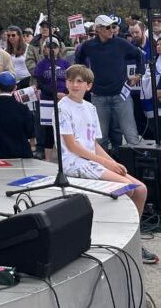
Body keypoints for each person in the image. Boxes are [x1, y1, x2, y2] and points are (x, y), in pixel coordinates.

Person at [57, 65, 156, 264]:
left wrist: (112, 163)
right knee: (126, 188)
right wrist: (105, 163)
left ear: (89, 85)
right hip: (74, 162)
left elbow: (92, 144)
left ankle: (132, 239)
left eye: (79, 81)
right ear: (66, 82)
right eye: (71, 80)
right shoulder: (61, 108)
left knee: (142, 189)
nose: (74, 85)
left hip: (91, 160)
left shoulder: (90, 108)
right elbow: (72, 145)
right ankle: (117, 240)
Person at [74, 14, 144, 149]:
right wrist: (85, 77)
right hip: (98, 96)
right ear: (98, 29)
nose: (111, 30)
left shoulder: (121, 43)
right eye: (107, 27)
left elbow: (139, 55)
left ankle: (135, 168)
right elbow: (79, 60)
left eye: (113, 26)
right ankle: (103, 168)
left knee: (131, 135)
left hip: (121, 95)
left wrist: (138, 74)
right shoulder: (88, 45)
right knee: (100, 138)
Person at [32, 39, 70, 160]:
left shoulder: (65, 64)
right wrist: (55, 94)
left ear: (59, 48)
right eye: (49, 47)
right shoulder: (42, 64)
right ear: (45, 49)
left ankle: (64, 158)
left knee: (64, 128)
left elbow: (70, 80)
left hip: (64, 99)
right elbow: (41, 84)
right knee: (48, 129)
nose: (52, 49)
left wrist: (65, 94)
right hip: (48, 99)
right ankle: (48, 158)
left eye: (54, 46)